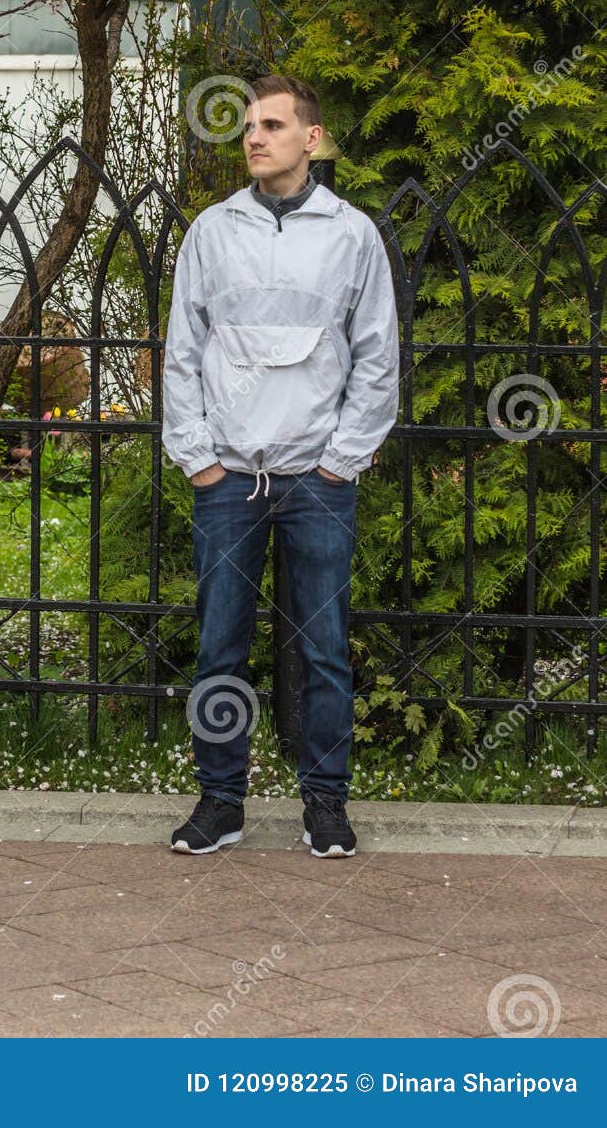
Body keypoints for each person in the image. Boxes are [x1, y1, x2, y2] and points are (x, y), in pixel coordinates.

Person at [161, 75, 399, 858]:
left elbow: (376, 354)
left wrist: (340, 462)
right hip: (228, 478)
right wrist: (198, 459)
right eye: (247, 127)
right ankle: (219, 802)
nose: (254, 138)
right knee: (218, 648)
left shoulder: (351, 235)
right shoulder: (211, 231)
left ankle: (325, 804)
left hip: (315, 481)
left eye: (271, 125)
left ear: (311, 138)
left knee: (324, 649)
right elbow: (182, 351)